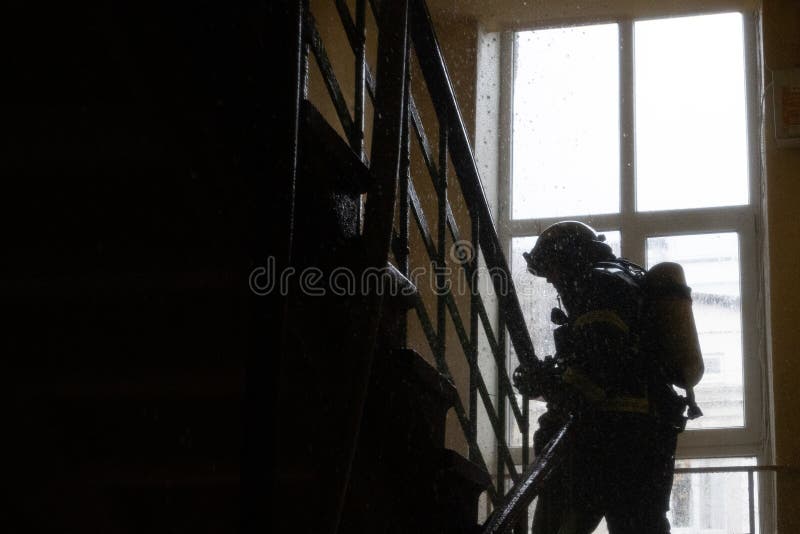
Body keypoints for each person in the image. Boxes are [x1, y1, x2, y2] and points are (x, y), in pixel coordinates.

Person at [513, 221, 689, 534]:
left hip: (612, 442)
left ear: (569, 258)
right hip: (641, 441)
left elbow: (596, 375)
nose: (552, 280)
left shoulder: (598, 286)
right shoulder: (619, 281)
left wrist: (547, 384)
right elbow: (604, 360)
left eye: (552, 268)